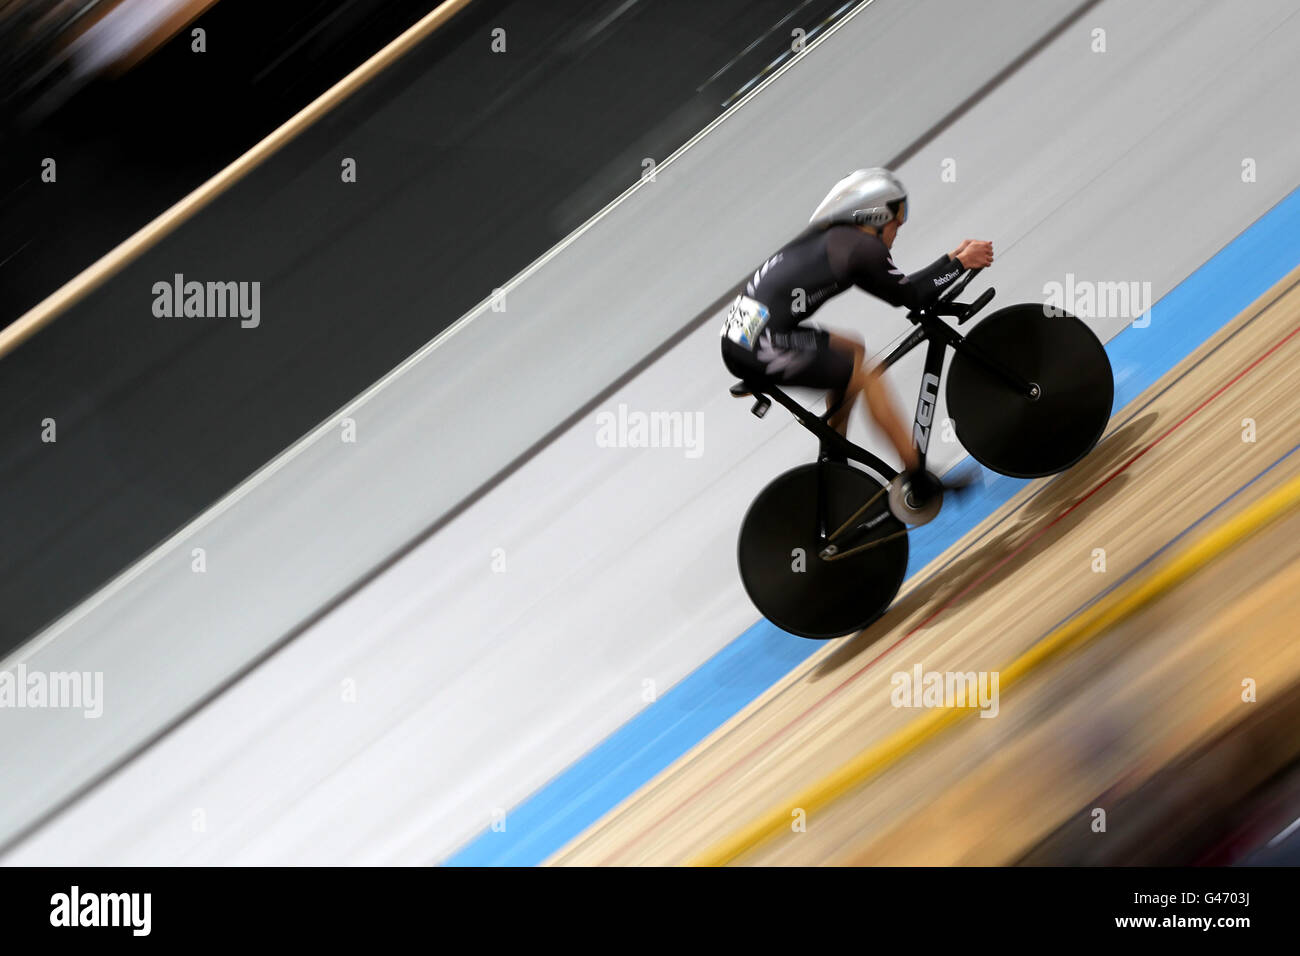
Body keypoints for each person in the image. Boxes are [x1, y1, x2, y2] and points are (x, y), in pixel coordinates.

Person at [720, 167, 993, 505]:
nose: (899, 228)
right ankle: (917, 474)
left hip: (747, 338)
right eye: (898, 218)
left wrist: (952, 260)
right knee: (866, 375)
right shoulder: (861, 249)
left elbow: (905, 289)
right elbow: (909, 296)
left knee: (853, 350)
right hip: (760, 345)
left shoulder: (837, 237)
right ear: (875, 215)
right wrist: (959, 264)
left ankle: (835, 460)